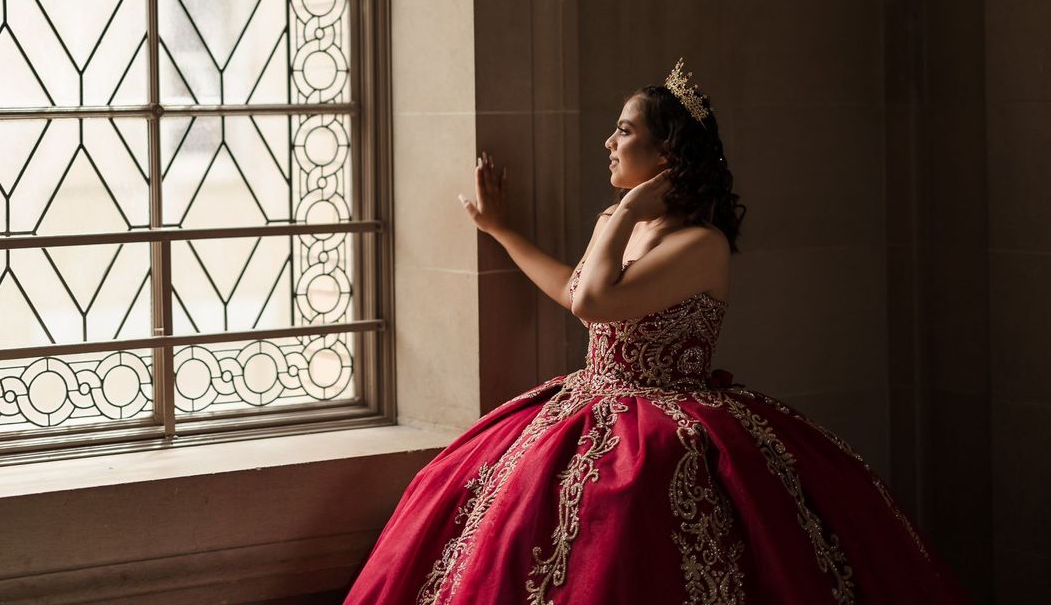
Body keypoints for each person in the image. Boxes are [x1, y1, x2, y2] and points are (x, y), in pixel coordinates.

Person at [343, 60, 968, 604]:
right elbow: (573, 291)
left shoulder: (702, 244)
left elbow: (594, 303)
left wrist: (633, 209)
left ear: (666, 154)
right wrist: (502, 230)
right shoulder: (620, 221)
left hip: (667, 420)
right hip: (588, 397)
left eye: (624, 130)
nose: (608, 142)